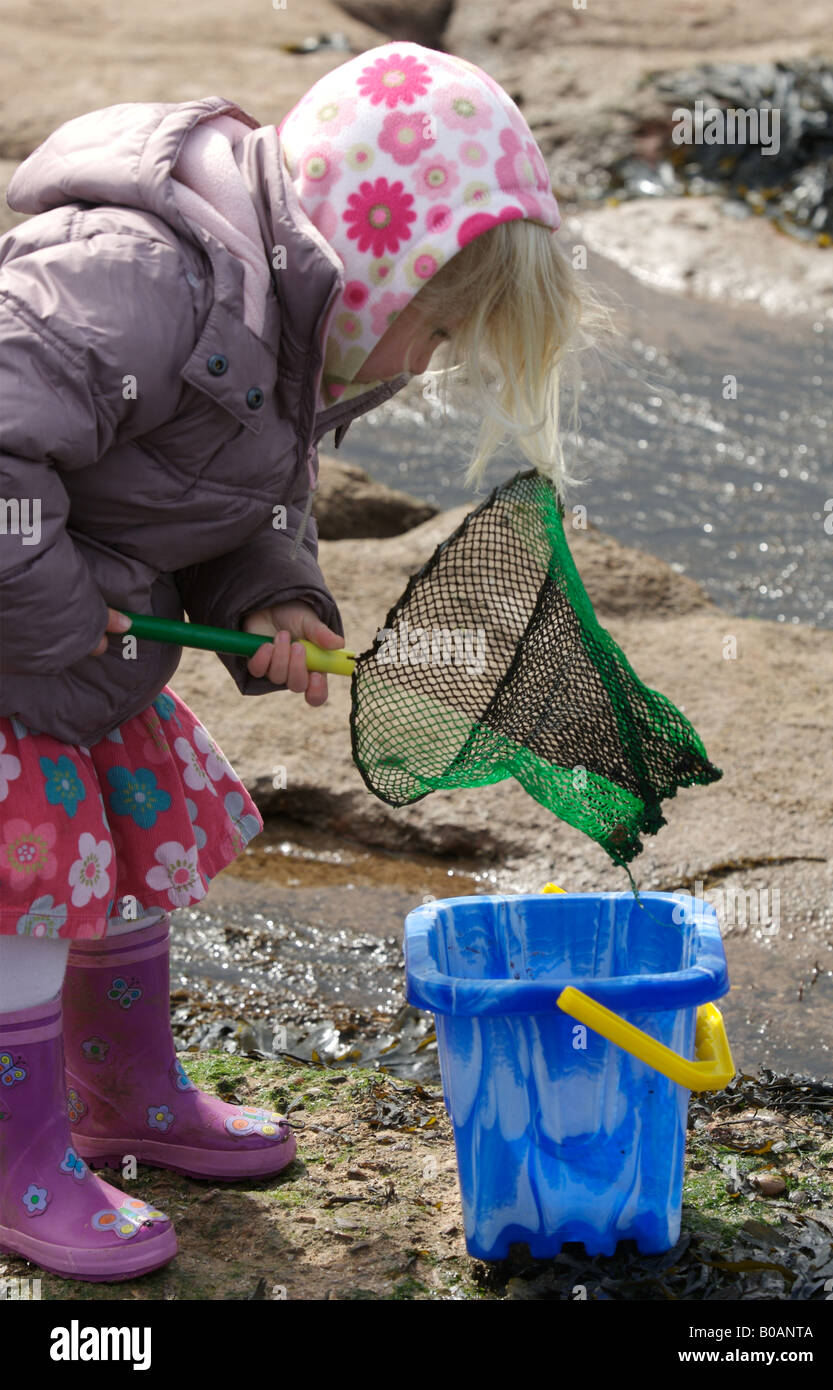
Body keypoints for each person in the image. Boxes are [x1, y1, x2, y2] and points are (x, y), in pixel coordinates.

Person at [0, 41, 596, 1280]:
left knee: (127, 867)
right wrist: (59, 611)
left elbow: (243, 495)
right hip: (26, 645)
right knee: (31, 900)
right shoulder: (142, 276)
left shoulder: (287, 326)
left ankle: (128, 1099)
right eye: (435, 331)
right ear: (377, 261)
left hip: (83, 658)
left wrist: (273, 593)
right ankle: (17, 1157)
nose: (427, 365)